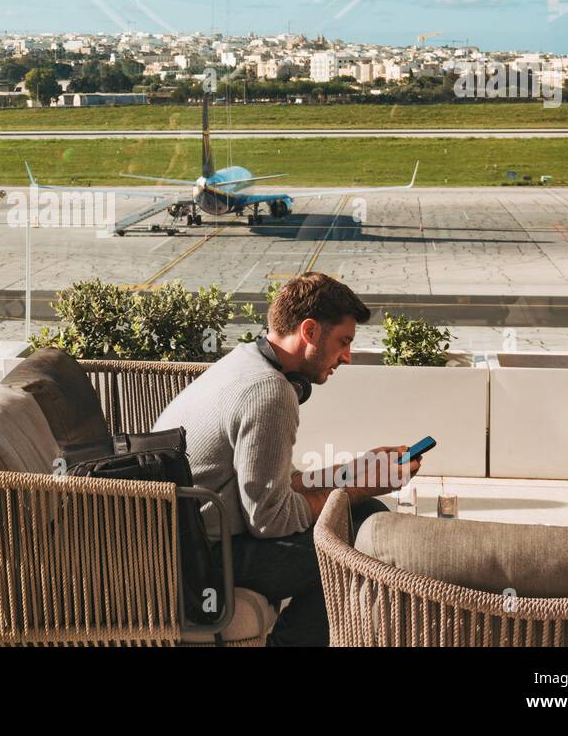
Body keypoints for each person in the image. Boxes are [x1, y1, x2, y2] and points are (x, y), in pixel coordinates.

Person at [152, 272, 423, 646]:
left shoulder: (246, 361)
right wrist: (358, 487)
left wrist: (356, 469)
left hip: (183, 539)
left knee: (366, 513)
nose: (347, 356)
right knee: (360, 544)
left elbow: (281, 485)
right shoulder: (270, 392)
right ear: (310, 331)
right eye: (343, 342)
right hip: (201, 559)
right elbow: (271, 520)